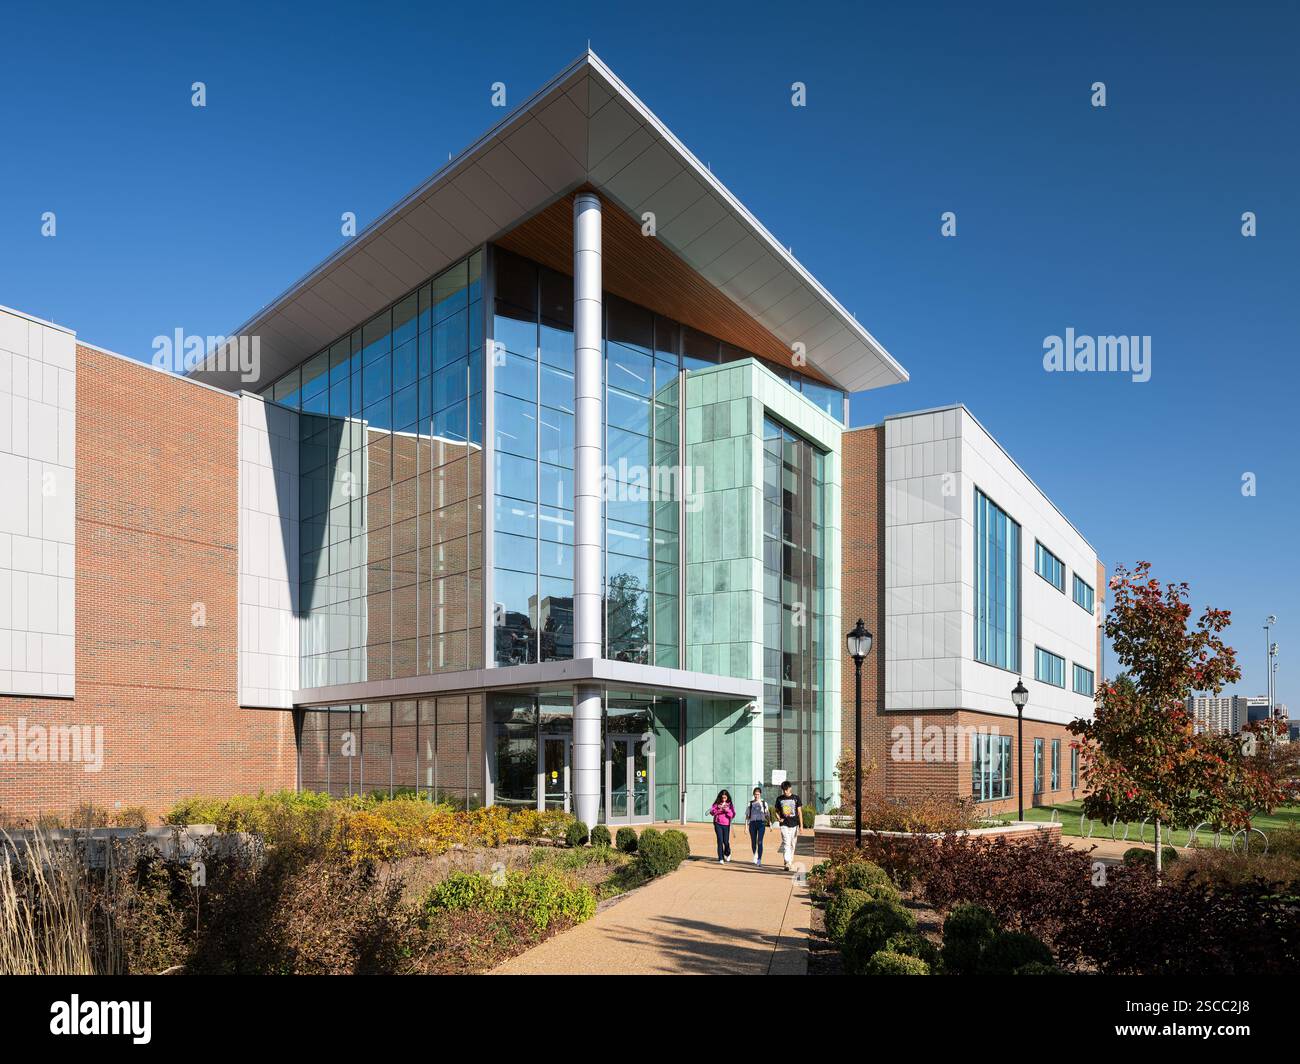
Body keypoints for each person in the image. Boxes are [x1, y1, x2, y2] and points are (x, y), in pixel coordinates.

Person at [774, 780, 803, 871]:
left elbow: (799, 812)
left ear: (790, 788)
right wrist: (779, 818)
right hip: (784, 824)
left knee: (792, 844)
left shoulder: (796, 798)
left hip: (794, 824)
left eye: (787, 789)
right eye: (784, 790)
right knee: (786, 842)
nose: (785, 792)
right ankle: (787, 862)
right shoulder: (779, 799)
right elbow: (776, 811)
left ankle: (789, 862)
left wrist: (801, 826)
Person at [709, 789, 735, 863]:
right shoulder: (717, 803)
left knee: (725, 841)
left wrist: (727, 810)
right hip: (718, 823)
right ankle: (720, 857)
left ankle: (727, 852)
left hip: (726, 824)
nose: (723, 799)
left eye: (725, 798)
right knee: (720, 840)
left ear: (727, 798)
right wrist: (717, 809)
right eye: (722, 797)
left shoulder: (730, 805)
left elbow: (732, 815)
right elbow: (712, 812)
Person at [745, 786, 769, 865]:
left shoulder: (764, 803)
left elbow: (767, 814)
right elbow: (747, 816)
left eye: (758, 794)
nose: (756, 796)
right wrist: (745, 827)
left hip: (761, 823)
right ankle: (755, 854)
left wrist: (770, 824)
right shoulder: (750, 803)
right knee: (753, 841)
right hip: (752, 823)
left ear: (760, 794)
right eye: (755, 794)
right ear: (753, 794)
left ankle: (759, 859)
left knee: (760, 841)